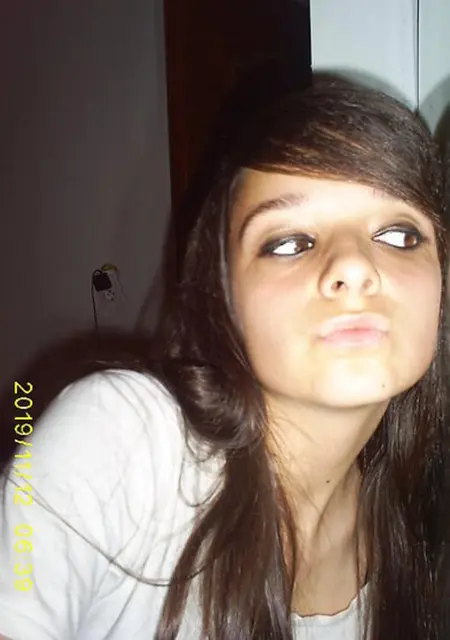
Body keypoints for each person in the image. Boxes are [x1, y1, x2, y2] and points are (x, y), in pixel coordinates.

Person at [0, 75, 448, 640]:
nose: (354, 266)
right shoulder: (125, 437)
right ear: (225, 299)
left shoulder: (418, 532)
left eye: (399, 235)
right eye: (288, 242)